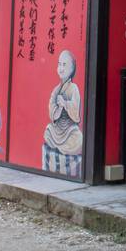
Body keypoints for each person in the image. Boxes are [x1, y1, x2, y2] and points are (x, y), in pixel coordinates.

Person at [42, 50, 83, 178]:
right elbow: (52, 114)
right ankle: (59, 147)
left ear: (72, 68)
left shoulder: (74, 88)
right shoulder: (56, 90)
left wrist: (65, 103)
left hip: (69, 129)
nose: (61, 68)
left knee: (78, 138)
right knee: (48, 131)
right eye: (59, 64)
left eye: (64, 65)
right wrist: (59, 108)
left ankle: (63, 148)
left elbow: (76, 113)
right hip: (57, 129)